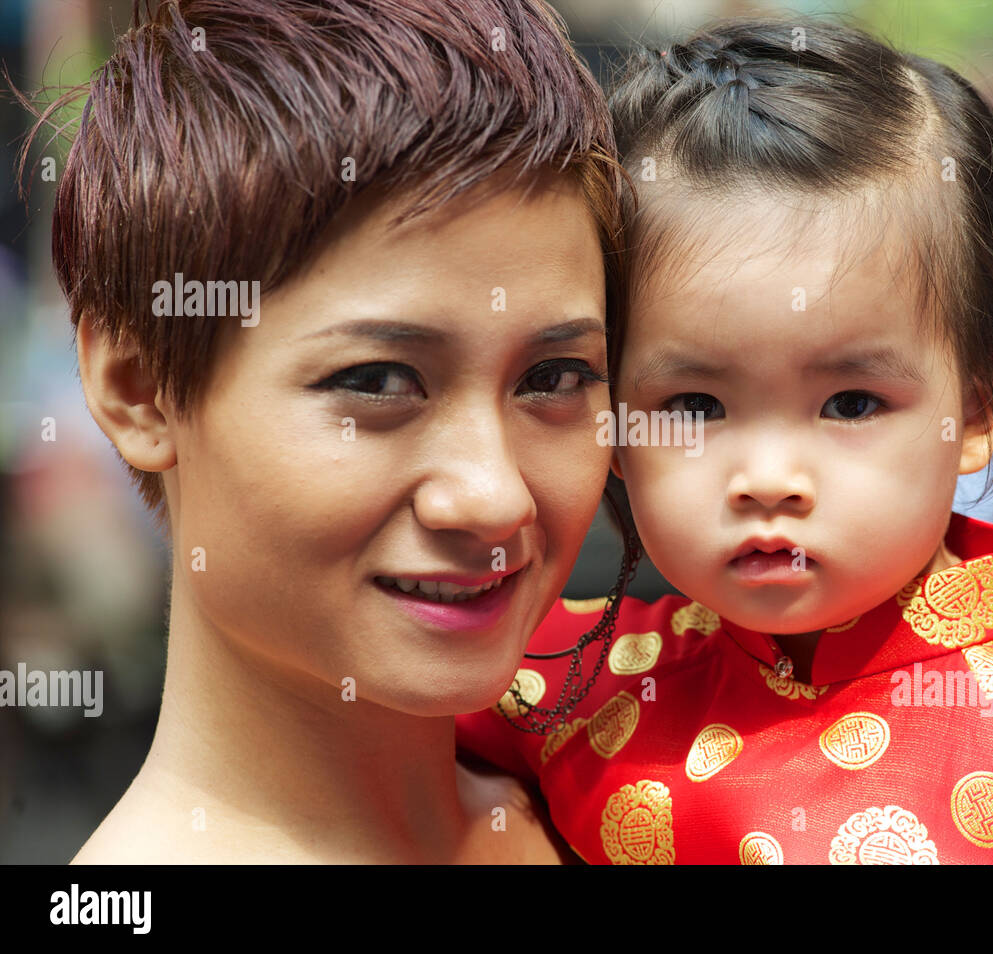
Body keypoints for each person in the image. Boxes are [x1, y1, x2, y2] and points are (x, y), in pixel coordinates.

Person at [456, 17, 993, 864]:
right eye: (697, 405)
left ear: (975, 415)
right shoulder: (562, 682)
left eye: (852, 403)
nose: (770, 478)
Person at [26, 0, 628, 863]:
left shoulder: (632, 800)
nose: (492, 495)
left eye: (553, 379)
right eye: (379, 382)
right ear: (139, 391)